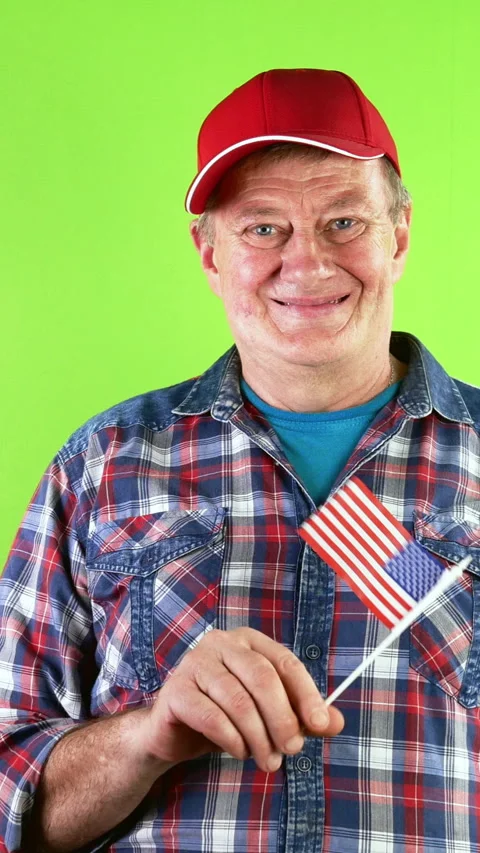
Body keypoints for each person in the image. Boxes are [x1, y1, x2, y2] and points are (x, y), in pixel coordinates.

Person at [0, 67, 479, 853]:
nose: (308, 263)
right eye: (263, 228)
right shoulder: (100, 465)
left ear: (398, 236)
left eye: (344, 221)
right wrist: (147, 735)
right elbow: (10, 801)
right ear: (209, 253)